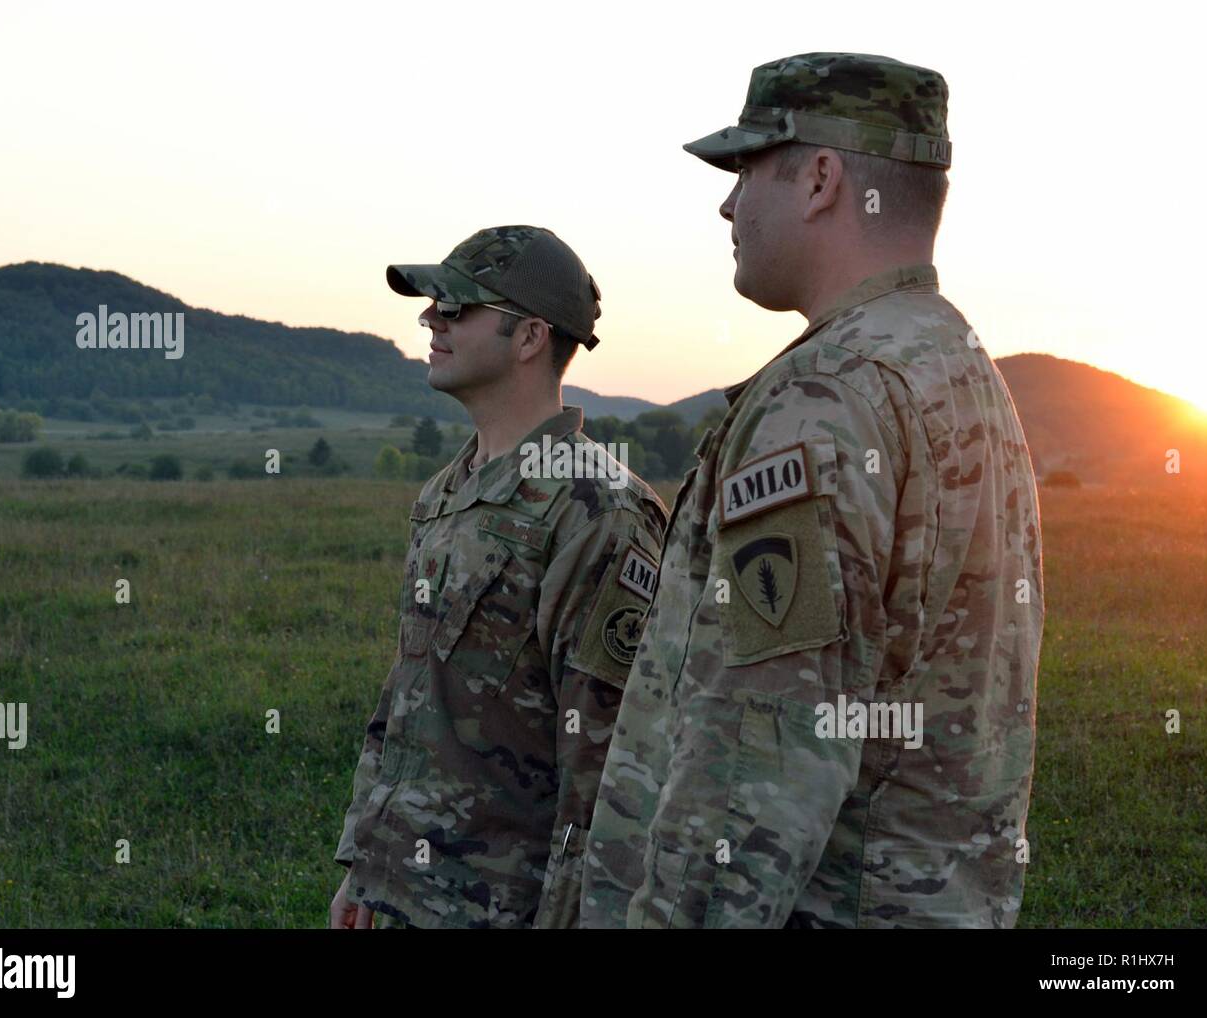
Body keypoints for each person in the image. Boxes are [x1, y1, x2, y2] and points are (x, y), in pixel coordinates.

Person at [581, 53, 1045, 928]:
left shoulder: (825, 394)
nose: (727, 204)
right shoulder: (957, 365)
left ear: (822, 178)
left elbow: (763, 756)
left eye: (746, 168)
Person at [329, 225, 667, 929]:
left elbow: (607, 770)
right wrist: (365, 864)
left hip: (504, 909)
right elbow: (407, 697)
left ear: (529, 338)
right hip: (403, 895)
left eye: (457, 308)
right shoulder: (446, 491)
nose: (431, 318)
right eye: (434, 306)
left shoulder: (598, 510)